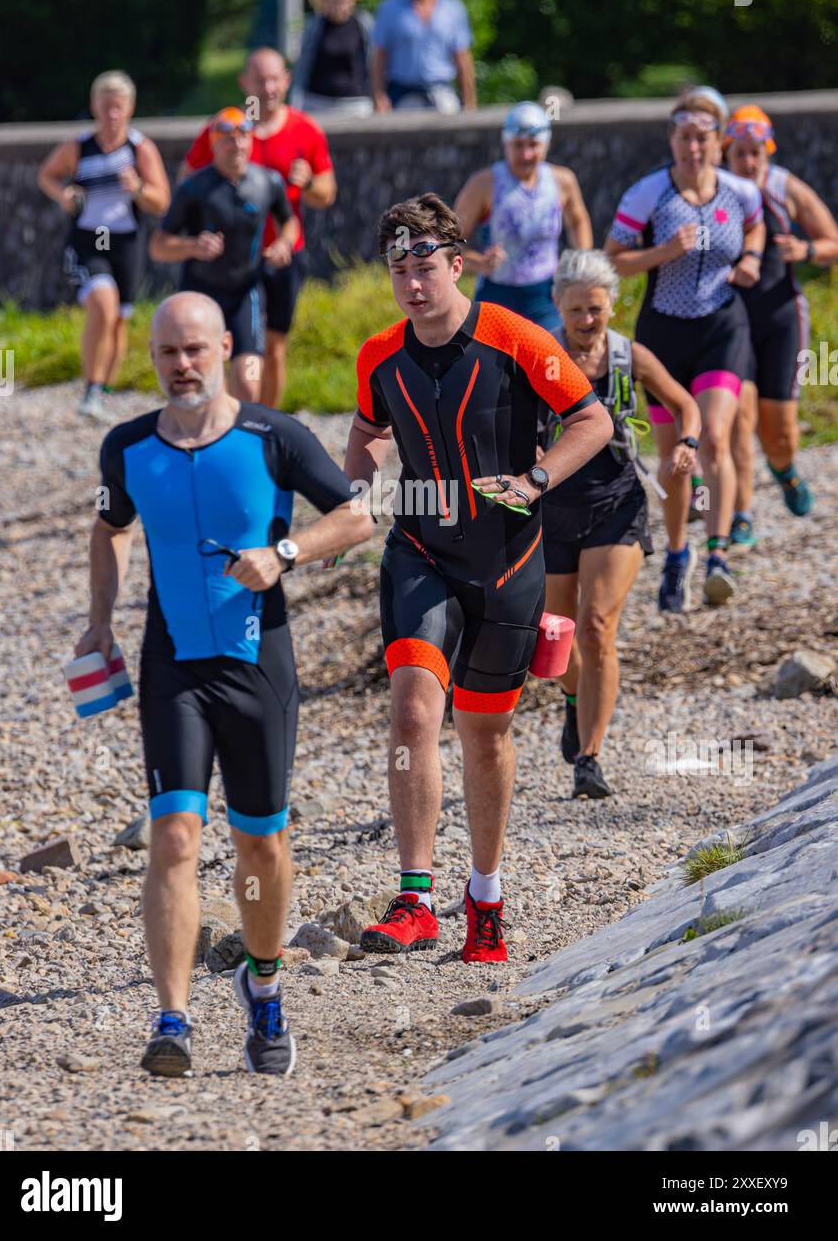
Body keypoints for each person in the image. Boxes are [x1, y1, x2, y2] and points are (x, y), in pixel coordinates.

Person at [75, 291, 373, 1077]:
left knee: (260, 842)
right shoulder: (128, 446)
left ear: (225, 351)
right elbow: (108, 534)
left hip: (257, 664)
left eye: (196, 350)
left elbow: (357, 518)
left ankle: (264, 986)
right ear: (152, 358)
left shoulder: (273, 436)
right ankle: (170, 1019)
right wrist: (99, 621)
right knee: (174, 834)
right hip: (171, 666)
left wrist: (285, 555)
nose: (182, 365)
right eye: (168, 353)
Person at [342, 193, 612, 964]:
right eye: (398, 269)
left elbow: (591, 422)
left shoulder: (515, 338)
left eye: (424, 266)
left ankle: (483, 898)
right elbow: (366, 432)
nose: (412, 283)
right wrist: (357, 489)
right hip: (420, 554)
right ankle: (414, 897)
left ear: (456, 264)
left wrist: (535, 479)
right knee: (410, 715)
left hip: (509, 562)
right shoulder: (378, 355)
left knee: (484, 733)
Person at [540, 250, 700, 799]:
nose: (587, 321)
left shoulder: (630, 357)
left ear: (611, 306)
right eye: (577, 310)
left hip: (618, 502)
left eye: (597, 310)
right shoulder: (539, 356)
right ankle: (572, 698)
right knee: (553, 639)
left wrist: (687, 443)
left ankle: (590, 758)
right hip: (551, 509)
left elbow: (685, 404)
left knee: (597, 626)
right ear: (558, 304)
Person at [605, 87, 765, 610]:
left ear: (718, 143)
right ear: (671, 141)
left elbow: (757, 226)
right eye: (683, 139)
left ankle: (717, 555)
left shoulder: (739, 192)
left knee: (714, 438)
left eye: (702, 139)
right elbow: (613, 259)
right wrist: (662, 252)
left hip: (721, 326)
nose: (693, 149)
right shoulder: (648, 194)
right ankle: (678, 554)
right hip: (665, 333)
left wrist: (753, 260)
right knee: (677, 458)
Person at [180, 49, 337, 407]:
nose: (267, 88)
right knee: (225, 344)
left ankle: (266, 424)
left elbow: (327, 194)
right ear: (244, 83)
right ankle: (225, 417)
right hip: (229, 261)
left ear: (286, 80)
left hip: (280, 254)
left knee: (274, 345)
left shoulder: (305, 130)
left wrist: (309, 183)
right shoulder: (225, 129)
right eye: (259, 80)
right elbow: (187, 184)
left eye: (274, 79)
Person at [724, 104, 838, 543]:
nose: (749, 163)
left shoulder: (783, 186)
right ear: (727, 153)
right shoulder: (716, 190)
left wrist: (806, 251)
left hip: (781, 316)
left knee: (781, 432)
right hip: (732, 320)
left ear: (767, 152)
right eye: (740, 154)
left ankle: (785, 470)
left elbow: (831, 240)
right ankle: (742, 514)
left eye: (757, 153)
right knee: (739, 415)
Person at [38, 70, 170, 420]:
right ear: (95, 107)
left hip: (125, 240)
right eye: (106, 106)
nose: (112, 115)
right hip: (89, 238)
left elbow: (161, 202)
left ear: (130, 108)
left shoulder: (140, 148)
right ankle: (91, 387)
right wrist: (64, 195)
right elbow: (47, 175)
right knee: (103, 303)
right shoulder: (79, 145)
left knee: (120, 320)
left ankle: (105, 392)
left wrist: (139, 188)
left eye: (119, 107)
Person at [149, 107, 299, 402]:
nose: (237, 145)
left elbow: (289, 222)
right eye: (228, 138)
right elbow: (158, 245)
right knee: (200, 376)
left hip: (246, 292)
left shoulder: (268, 182)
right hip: (201, 292)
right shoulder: (193, 187)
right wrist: (193, 246)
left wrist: (283, 244)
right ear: (214, 144)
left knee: (249, 376)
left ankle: (246, 433)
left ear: (251, 141)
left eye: (243, 136)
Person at [454, 102, 592, 333]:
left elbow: (578, 221)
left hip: (548, 295)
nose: (526, 154)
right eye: (518, 145)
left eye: (534, 145)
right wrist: (479, 262)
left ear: (546, 145)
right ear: (505, 144)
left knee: (553, 362)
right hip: (498, 295)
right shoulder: (484, 184)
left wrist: (582, 260)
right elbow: (449, 243)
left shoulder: (562, 180)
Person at [370, 0, 476, 113]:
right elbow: (379, 56)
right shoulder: (389, 8)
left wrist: (469, 100)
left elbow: (462, 57)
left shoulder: (454, 8)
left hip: (442, 93)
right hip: (401, 94)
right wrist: (378, 95)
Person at [289, 0, 373, 117]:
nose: (341, 1)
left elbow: (373, 62)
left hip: (356, 103)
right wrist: (295, 100)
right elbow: (301, 65)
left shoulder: (364, 24)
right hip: (317, 102)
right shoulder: (313, 26)